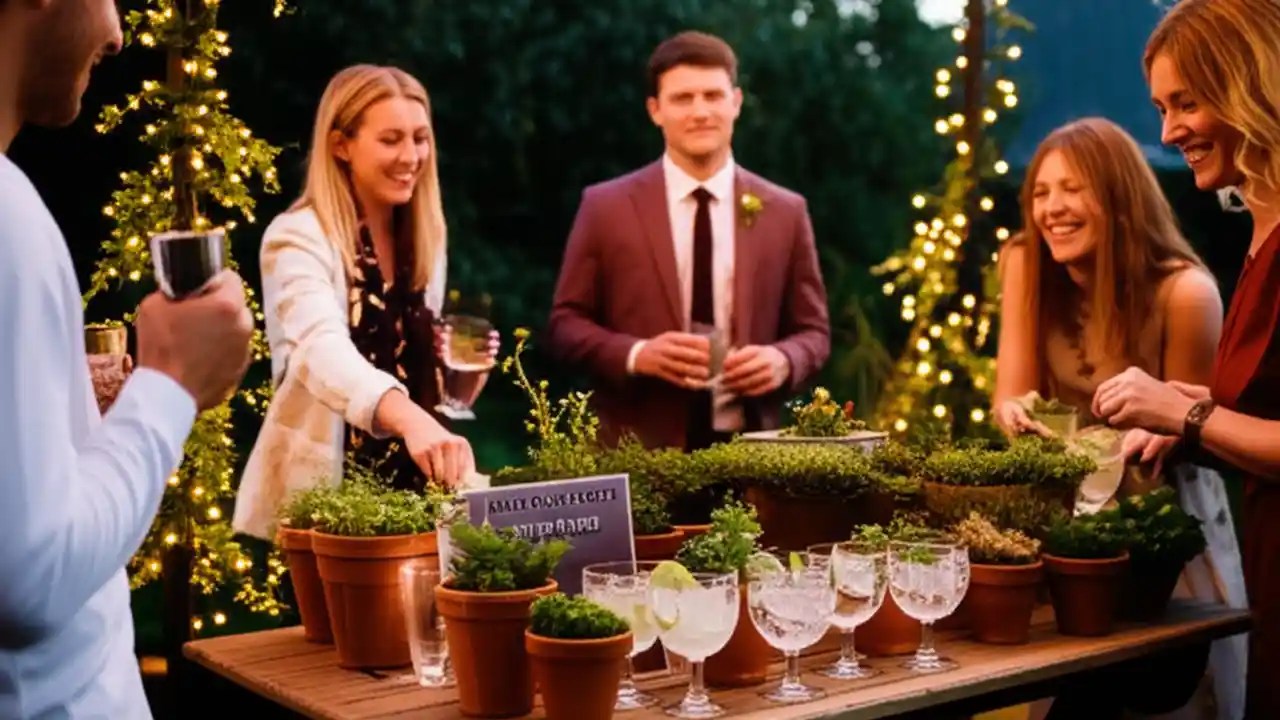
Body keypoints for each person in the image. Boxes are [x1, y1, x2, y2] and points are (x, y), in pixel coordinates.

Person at [0, 1, 255, 717]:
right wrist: (167, 390)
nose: (116, 34)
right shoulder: (8, 217)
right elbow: (32, 580)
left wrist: (64, 413)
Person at [1093, 1, 1280, 716]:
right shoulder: (1258, 233)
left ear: (1250, 87)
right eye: (1161, 107)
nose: (1169, 132)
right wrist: (1193, 421)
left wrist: (1191, 413)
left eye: (1187, 103)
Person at [232, 65, 487, 541]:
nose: (411, 156)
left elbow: (415, 367)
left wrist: (456, 383)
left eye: (420, 138)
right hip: (331, 510)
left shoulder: (427, 233)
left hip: (422, 498)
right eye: (390, 139)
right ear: (340, 145)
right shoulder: (297, 236)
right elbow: (318, 349)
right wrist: (409, 418)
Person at [546, 31, 830, 452]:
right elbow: (564, 326)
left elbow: (814, 332)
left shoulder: (786, 211)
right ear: (655, 110)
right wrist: (637, 354)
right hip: (638, 457)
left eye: (713, 96)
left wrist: (784, 361)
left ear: (735, 102)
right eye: (683, 98)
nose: (700, 111)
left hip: (754, 453)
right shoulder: (605, 206)